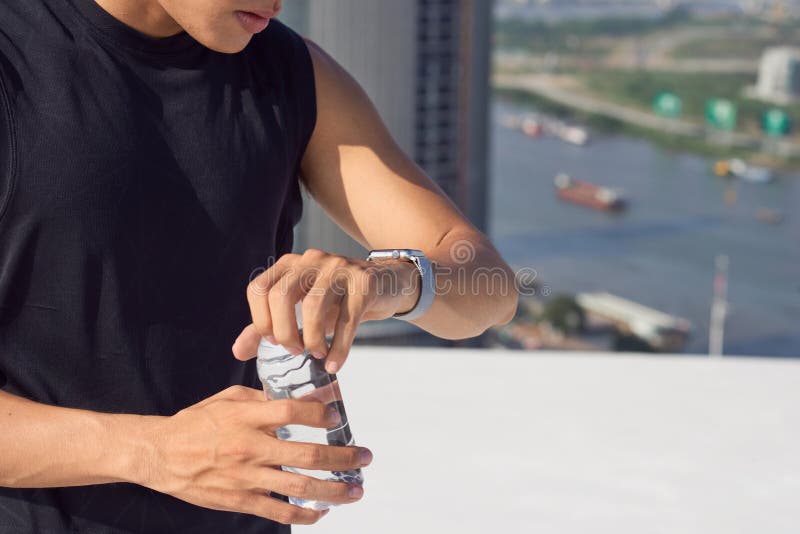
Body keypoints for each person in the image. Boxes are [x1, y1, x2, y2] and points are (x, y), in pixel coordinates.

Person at [0, 0, 518, 532]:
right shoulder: (14, 58)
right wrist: (152, 450)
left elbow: (493, 292)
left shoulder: (292, 72)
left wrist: (387, 281)